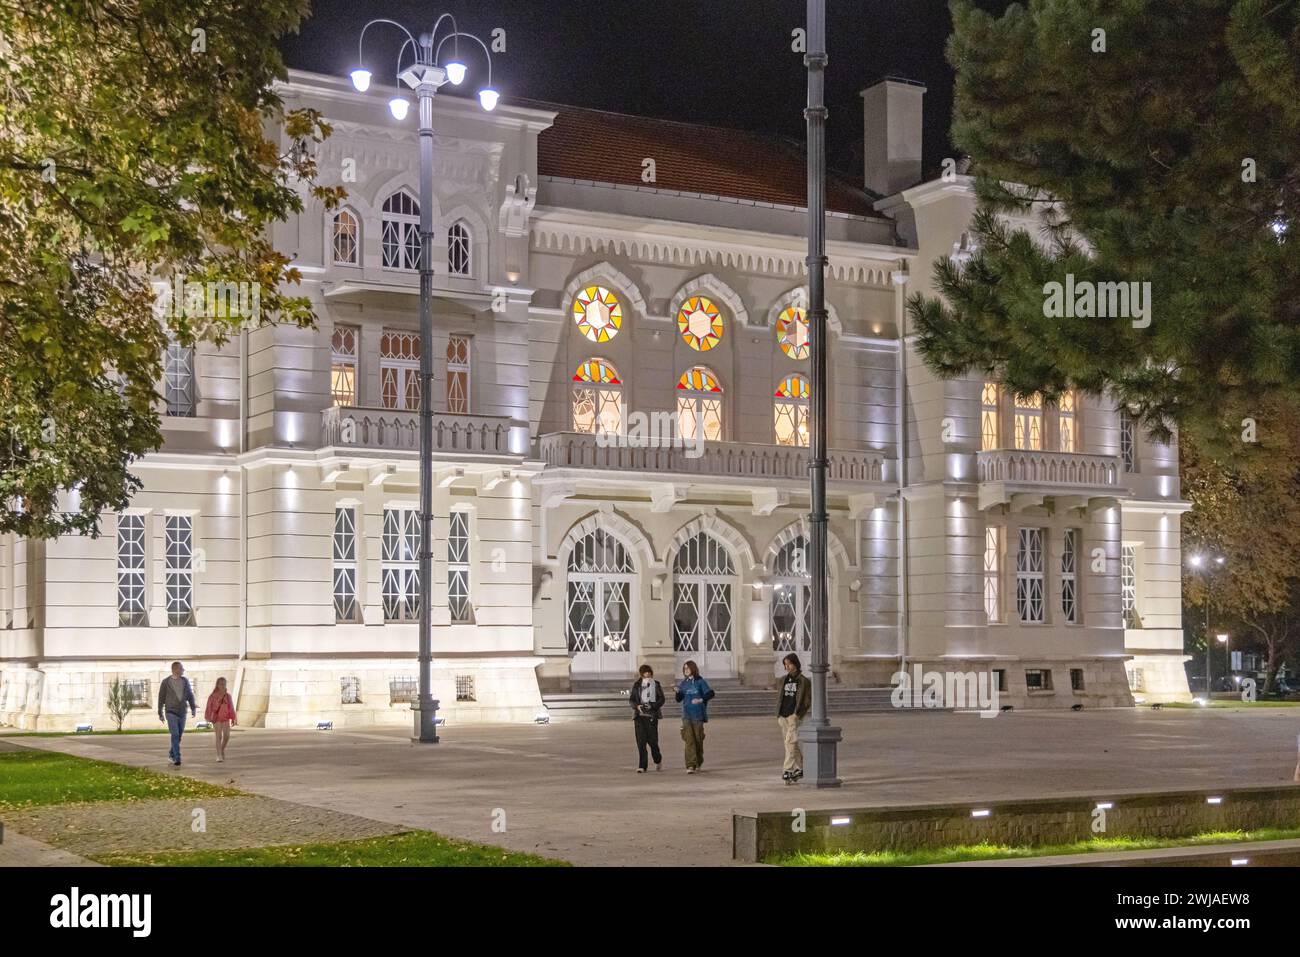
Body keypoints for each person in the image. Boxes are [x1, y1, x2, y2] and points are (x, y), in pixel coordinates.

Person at [674, 660, 715, 773]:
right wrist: (677, 691)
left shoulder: (700, 681)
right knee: (689, 740)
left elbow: (711, 693)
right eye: (684, 668)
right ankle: (690, 765)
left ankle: (698, 761)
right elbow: (678, 699)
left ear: (693, 668)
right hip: (686, 714)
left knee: (698, 739)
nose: (686, 670)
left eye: (687, 668)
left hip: (698, 715)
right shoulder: (684, 683)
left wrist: (700, 700)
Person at [776, 653, 811, 784]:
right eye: (785, 665)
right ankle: (802, 768)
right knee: (791, 743)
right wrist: (778, 714)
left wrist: (797, 714)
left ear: (795, 664)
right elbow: (781, 697)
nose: (787, 667)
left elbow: (807, 701)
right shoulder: (783, 680)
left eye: (789, 664)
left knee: (789, 742)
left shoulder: (804, 681)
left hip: (793, 716)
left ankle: (788, 769)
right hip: (783, 716)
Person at [157, 660, 197, 766]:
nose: (183, 670)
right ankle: (177, 758)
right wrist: (160, 712)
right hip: (170, 712)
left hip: (182, 712)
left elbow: (190, 695)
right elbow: (161, 698)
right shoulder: (166, 682)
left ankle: (171, 754)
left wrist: (193, 707)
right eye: (181, 668)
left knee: (179, 736)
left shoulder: (185, 681)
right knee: (174, 734)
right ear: (175, 669)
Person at [629, 664, 665, 773]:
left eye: (649, 673)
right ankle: (642, 766)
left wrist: (653, 706)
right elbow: (631, 700)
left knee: (653, 742)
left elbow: (662, 699)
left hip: (651, 717)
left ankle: (658, 759)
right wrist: (637, 706)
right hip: (639, 717)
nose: (647, 675)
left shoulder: (655, 684)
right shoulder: (637, 685)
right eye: (645, 674)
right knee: (641, 742)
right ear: (641, 674)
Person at [205, 676, 237, 762]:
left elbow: (231, 707)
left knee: (227, 736)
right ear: (217, 685)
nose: (223, 686)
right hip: (217, 718)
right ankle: (219, 755)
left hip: (226, 718)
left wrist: (233, 717)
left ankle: (222, 749)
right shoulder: (212, 696)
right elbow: (209, 707)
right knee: (218, 736)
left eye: (224, 684)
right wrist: (208, 717)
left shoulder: (228, 696)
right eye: (221, 684)